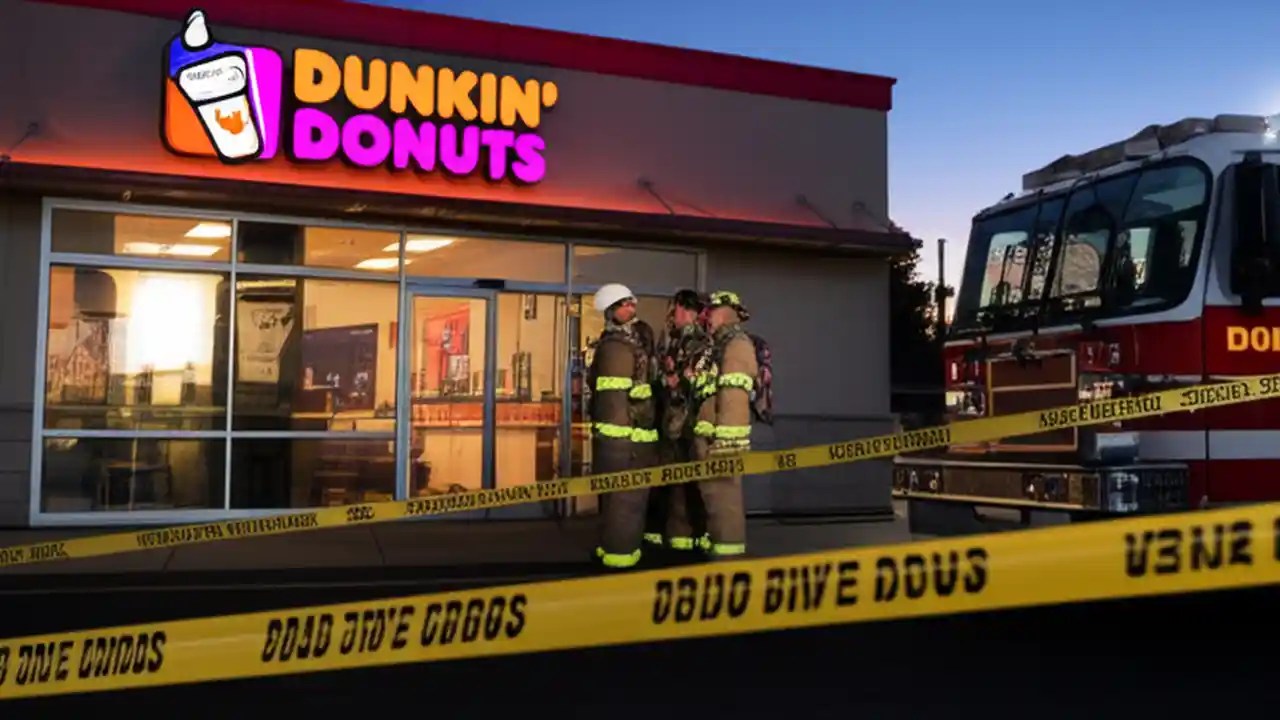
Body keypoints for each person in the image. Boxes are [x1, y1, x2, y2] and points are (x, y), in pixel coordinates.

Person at [586, 283, 660, 570]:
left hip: (625, 439)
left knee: (621, 502)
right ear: (612, 311)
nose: (631, 308)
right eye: (625, 304)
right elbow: (613, 397)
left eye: (632, 303)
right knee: (621, 502)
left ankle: (617, 555)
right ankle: (618, 555)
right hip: (625, 440)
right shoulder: (616, 346)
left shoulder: (623, 344)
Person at [690, 290, 757, 560]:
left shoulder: (736, 345)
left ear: (728, 313)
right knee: (712, 500)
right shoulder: (716, 346)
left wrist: (726, 443)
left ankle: (727, 560)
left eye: (713, 311)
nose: (707, 317)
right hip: (708, 437)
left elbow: (733, 395)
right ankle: (718, 550)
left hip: (721, 442)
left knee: (723, 500)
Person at [646, 289, 711, 555]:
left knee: (692, 484)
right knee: (663, 481)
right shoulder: (672, 340)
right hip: (669, 422)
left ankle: (699, 535)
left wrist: (675, 378)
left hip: (687, 423)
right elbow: (662, 377)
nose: (676, 314)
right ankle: (656, 534)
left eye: (680, 309)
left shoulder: (702, 343)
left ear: (690, 311)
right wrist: (668, 376)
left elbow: (693, 380)